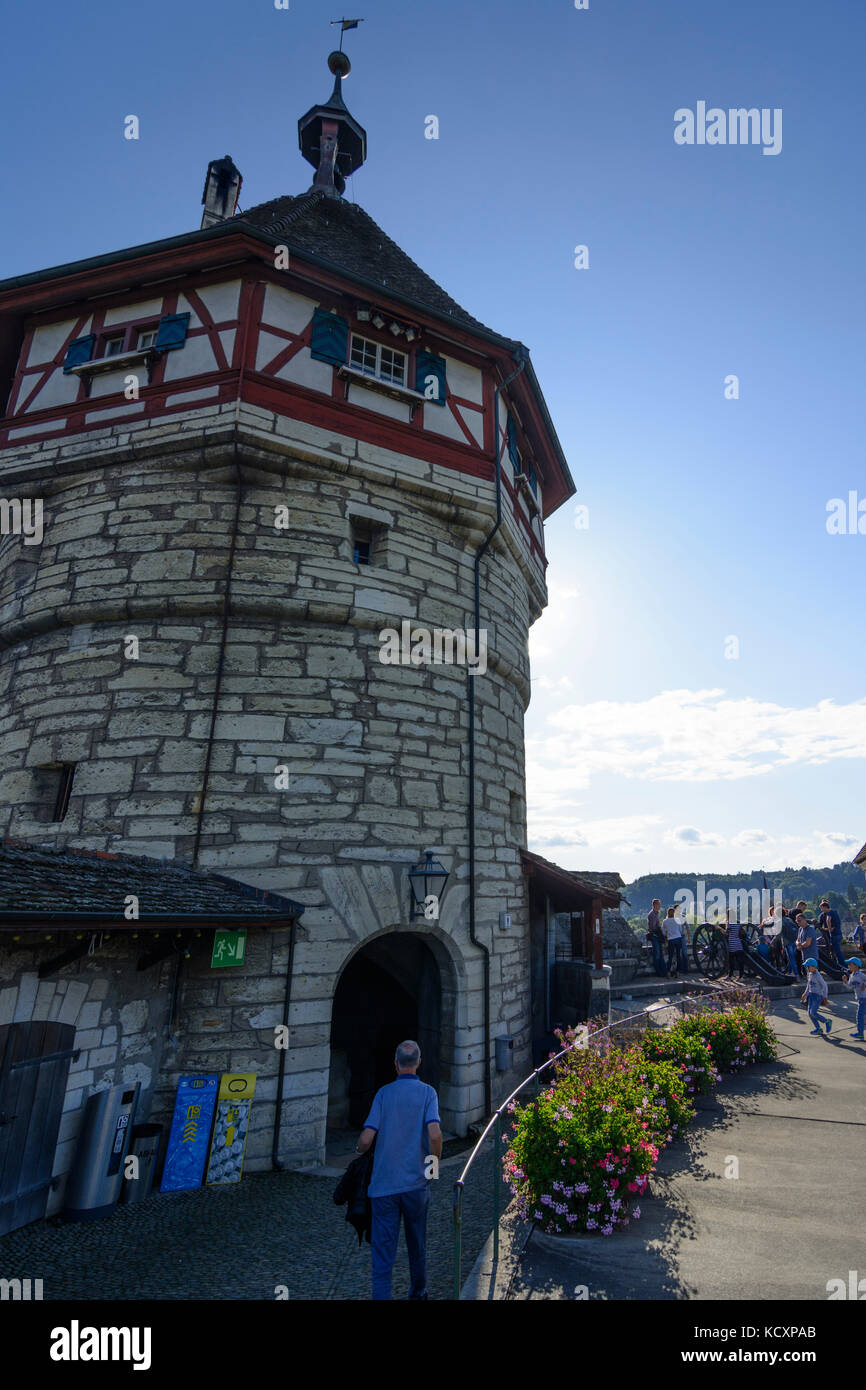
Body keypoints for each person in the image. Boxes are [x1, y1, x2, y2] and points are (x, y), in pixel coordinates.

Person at [355, 1039, 442, 1301]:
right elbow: (435, 1134)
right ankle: (418, 1293)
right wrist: (433, 1166)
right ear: (418, 1063)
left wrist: (358, 1151)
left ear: (395, 1064)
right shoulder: (428, 1093)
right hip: (416, 1184)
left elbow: (366, 1139)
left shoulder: (383, 1094)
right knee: (417, 1245)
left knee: (383, 1254)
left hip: (383, 1187)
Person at [801, 957, 832, 1035]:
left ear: (814, 967)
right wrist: (805, 993)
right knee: (810, 1013)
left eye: (808, 966)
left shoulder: (818, 976)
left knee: (813, 1013)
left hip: (817, 996)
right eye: (806, 967)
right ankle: (818, 1029)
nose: (807, 968)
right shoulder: (810, 974)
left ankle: (827, 1021)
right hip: (811, 996)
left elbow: (825, 986)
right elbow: (809, 985)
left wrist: (825, 997)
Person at [818, 899, 847, 970]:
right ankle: (840, 966)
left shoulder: (829, 913)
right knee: (836, 952)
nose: (821, 910)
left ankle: (843, 967)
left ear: (825, 907)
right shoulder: (833, 912)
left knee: (837, 952)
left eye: (822, 908)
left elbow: (828, 920)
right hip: (837, 934)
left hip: (834, 935)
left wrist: (828, 928)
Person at [841, 957, 866, 1040]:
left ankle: (860, 1033)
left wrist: (864, 984)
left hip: (864, 998)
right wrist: (845, 982)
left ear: (856, 966)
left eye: (850, 964)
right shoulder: (851, 976)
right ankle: (860, 1033)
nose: (848, 966)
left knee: (860, 1016)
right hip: (860, 999)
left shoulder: (861, 974)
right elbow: (849, 987)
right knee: (860, 1016)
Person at [663, 905, 687, 977]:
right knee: (678, 956)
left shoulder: (665, 921)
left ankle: (668, 972)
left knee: (670, 956)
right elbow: (680, 930)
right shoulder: (677, 920)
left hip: (671, 939)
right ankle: (677, 972)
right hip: (678, 938)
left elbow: (664, 932)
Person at [646, 898, 667, 977]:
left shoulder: (655, 913)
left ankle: (662, 971)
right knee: (657, 953)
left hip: (656, 935)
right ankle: (659, 971)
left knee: (659, 953)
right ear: (655, 905)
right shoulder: (652, 914)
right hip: (655, 935)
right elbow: (652, 927)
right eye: (658, 904)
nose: (660, 906)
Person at [725, 908, 746, 979]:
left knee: (731, 961)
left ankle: (730, 976)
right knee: (740, 961)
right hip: (738, 943)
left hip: (732, 943)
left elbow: (726, 933)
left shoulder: (729, 923)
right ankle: (741, 976)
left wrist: (719, 928)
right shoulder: (738, 922)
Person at [781, 908, 801, 977]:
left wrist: (772, 942)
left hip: (787, 941)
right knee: (791, 957)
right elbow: (796, 928)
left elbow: (778, 934)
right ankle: (789, 972)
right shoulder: (789, 919)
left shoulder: (780, 921)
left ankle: (796, 974)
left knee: (791, 958)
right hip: (794, 940)